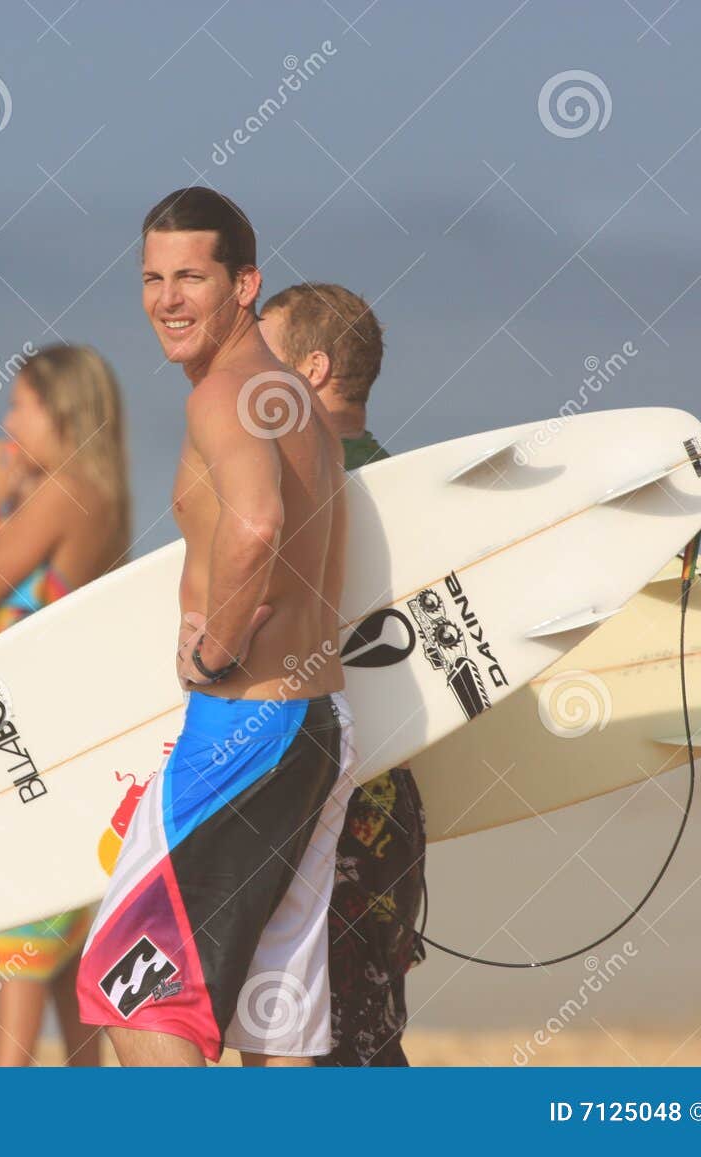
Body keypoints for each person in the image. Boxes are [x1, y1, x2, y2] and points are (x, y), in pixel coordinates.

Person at [76, 187, 354, 1066]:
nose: (167, 298)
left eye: (192, 276)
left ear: (245, 285)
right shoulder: (292, 398)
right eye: (153, 277)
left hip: (249, 724)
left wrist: (213, 648)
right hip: (317, 725)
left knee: (132, 987)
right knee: (277, 1015)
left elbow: (257, 524)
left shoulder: (224, 394)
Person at [259, 282, 428, 1067]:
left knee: (322, 1030)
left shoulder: (301, 483)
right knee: (365, 1027)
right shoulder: (409, 487)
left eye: (267, 356)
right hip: (390, 793)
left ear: (315, 367)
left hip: (319, 785)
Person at [0, 345, 132, 1067]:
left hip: (31, 751)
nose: (6, 418)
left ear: (58, 412)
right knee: (65, 968)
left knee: (19, 949)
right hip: (62, 739)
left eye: (19, 403)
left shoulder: (65, 491)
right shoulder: (98, 491)